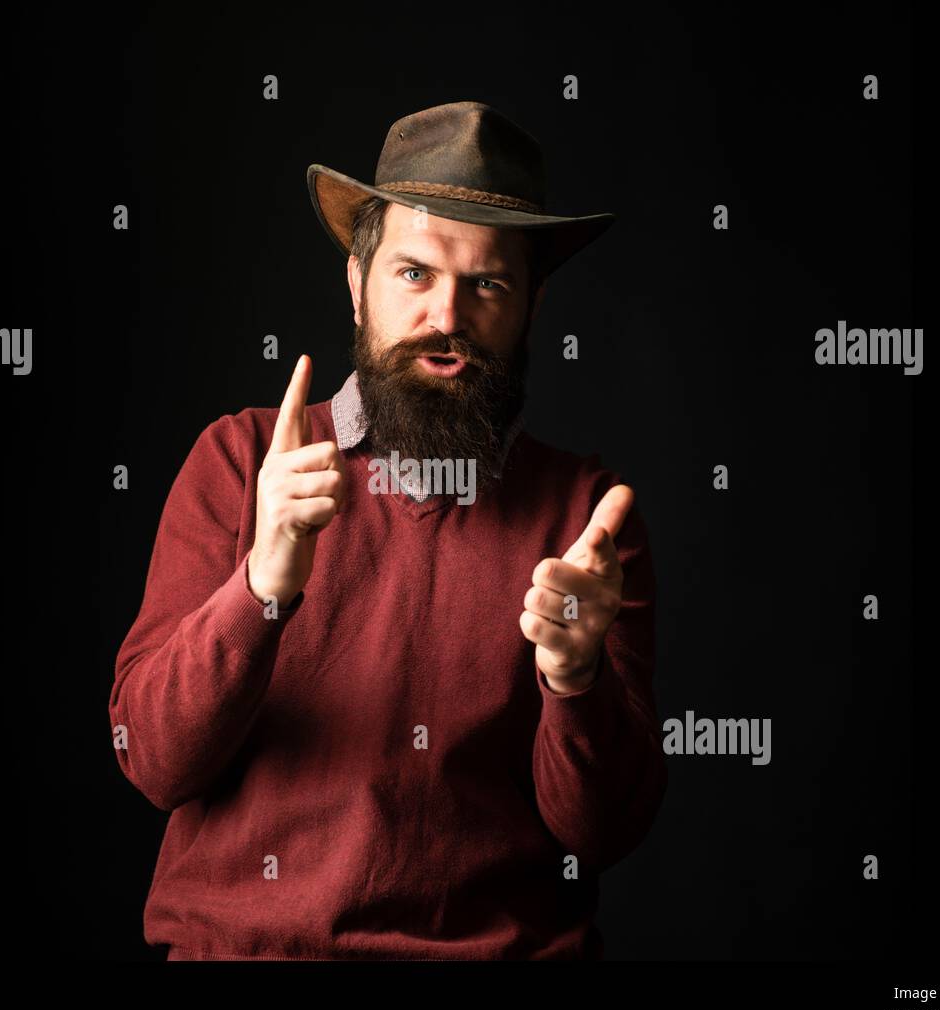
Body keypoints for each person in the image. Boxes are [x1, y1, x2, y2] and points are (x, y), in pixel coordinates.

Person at [108, 101, 667, 960]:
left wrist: (574, 680)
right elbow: (153, 762)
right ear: (355, 282)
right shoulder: (240, 460)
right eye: (414, 273)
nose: (447, 317)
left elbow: (605, 831)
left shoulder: (587, 522)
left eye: (488, 284)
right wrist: (260, 587)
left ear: (532, 305)